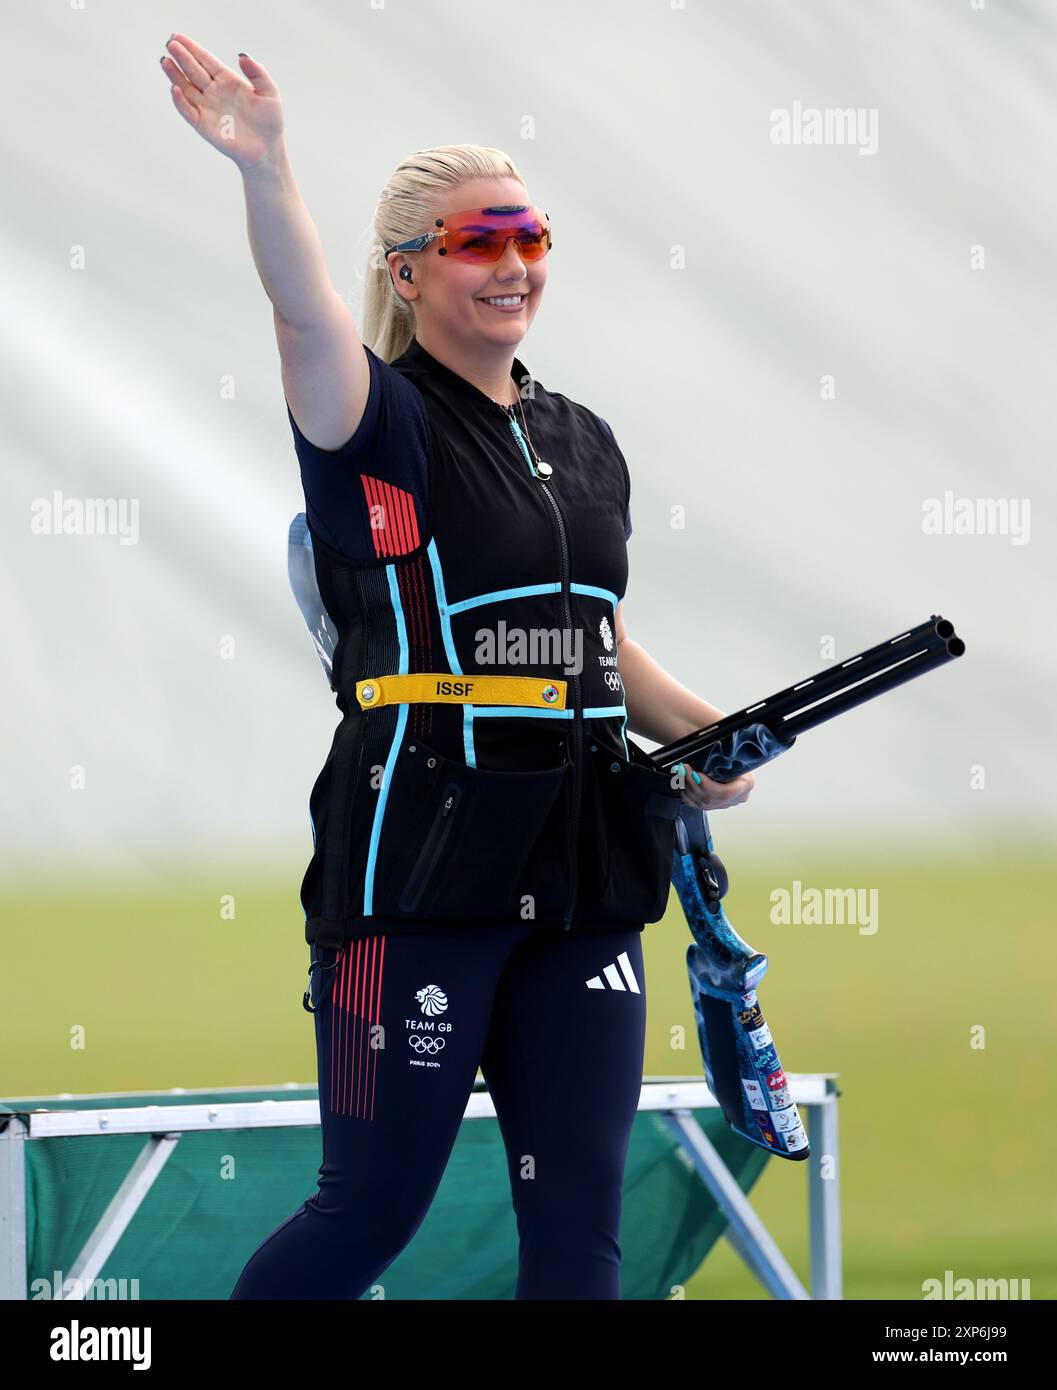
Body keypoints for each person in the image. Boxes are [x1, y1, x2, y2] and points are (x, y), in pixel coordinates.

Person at [159, 33, 755, 1300]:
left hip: (585, 867)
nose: (515, 266)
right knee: (366, 1215)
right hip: (417, 869)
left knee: (577, 1236)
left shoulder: (583, 438)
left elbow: (597, 640)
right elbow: (299, 308)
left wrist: (718, 738)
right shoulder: (373, 420)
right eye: (481, 241)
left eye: (532, 239)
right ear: (409, 268)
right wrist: (266, 168)